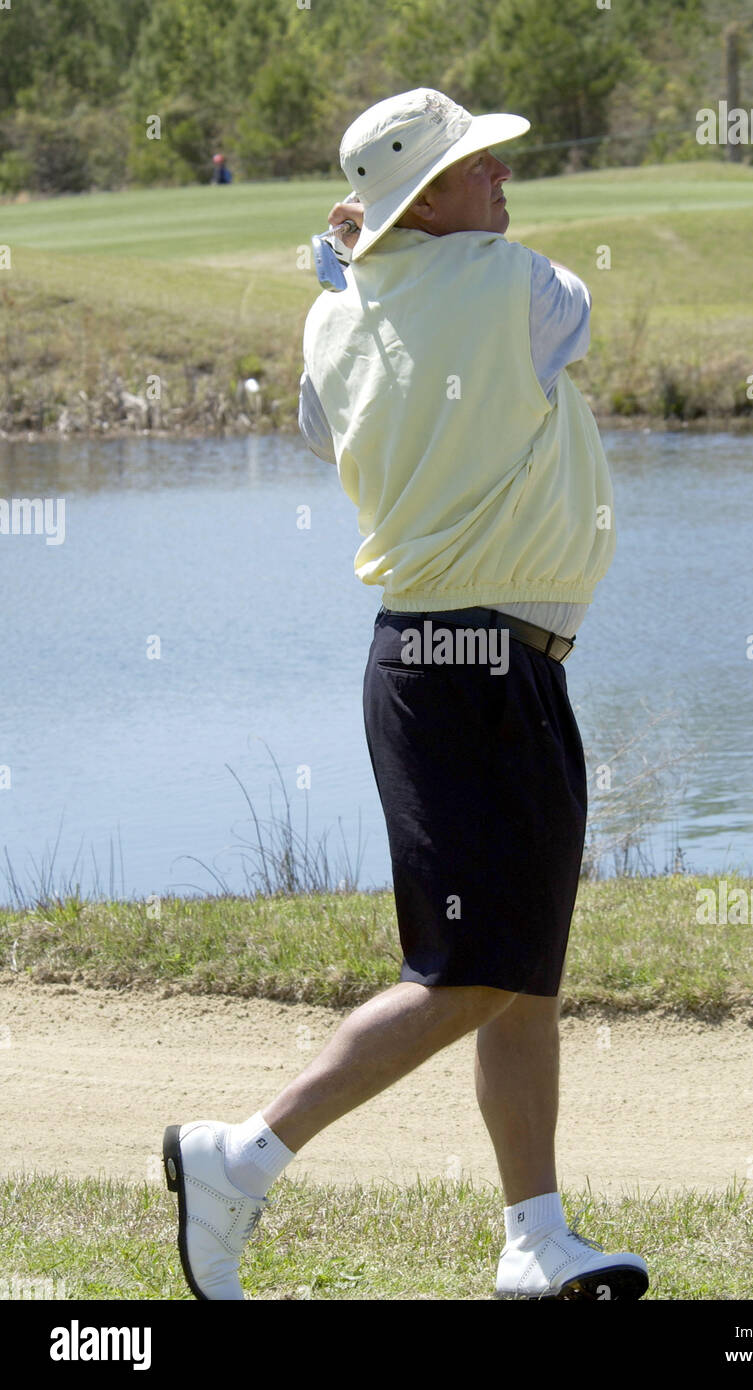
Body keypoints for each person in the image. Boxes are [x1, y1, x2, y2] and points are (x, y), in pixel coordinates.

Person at [163, 87, 648, 1302]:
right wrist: (374, 262)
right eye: (475, 167)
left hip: (444, 667)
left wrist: (352, 270)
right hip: (480, 669)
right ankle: (245, 1153)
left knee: (521, 970)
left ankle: (534, 1236)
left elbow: (326, 428)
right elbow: (579, 316)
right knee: (475, 965)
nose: (499, 180)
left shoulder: (333, 327)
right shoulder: (516, 284)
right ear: (426, 198)